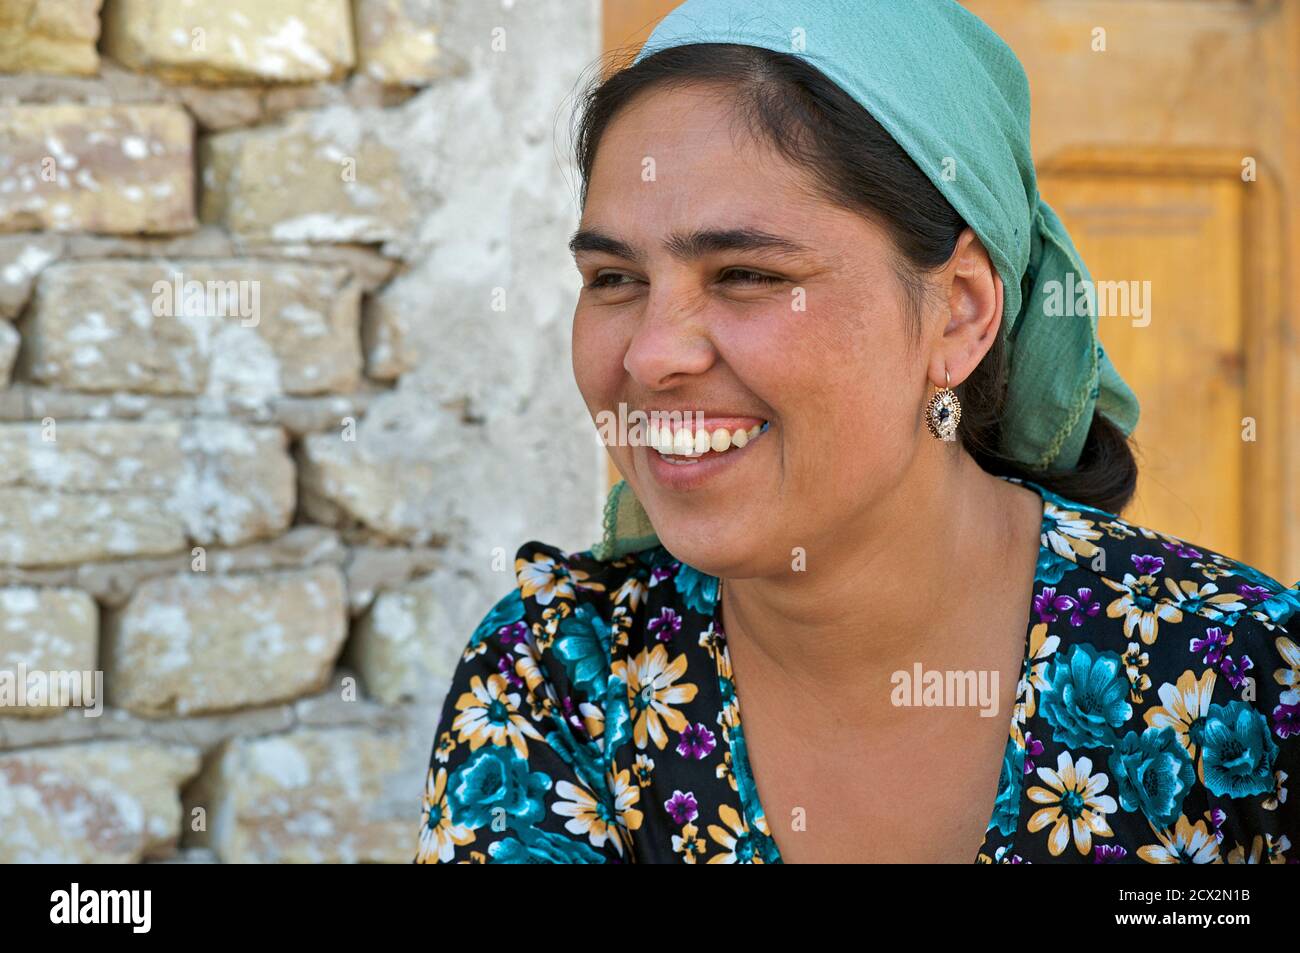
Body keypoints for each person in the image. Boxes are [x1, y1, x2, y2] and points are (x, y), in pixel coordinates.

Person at [415, 0, 1299, 863]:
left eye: (747, 273)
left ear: (960, 313)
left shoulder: (1240, 678)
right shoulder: (561, 676)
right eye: (613, 277)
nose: (650, 355)